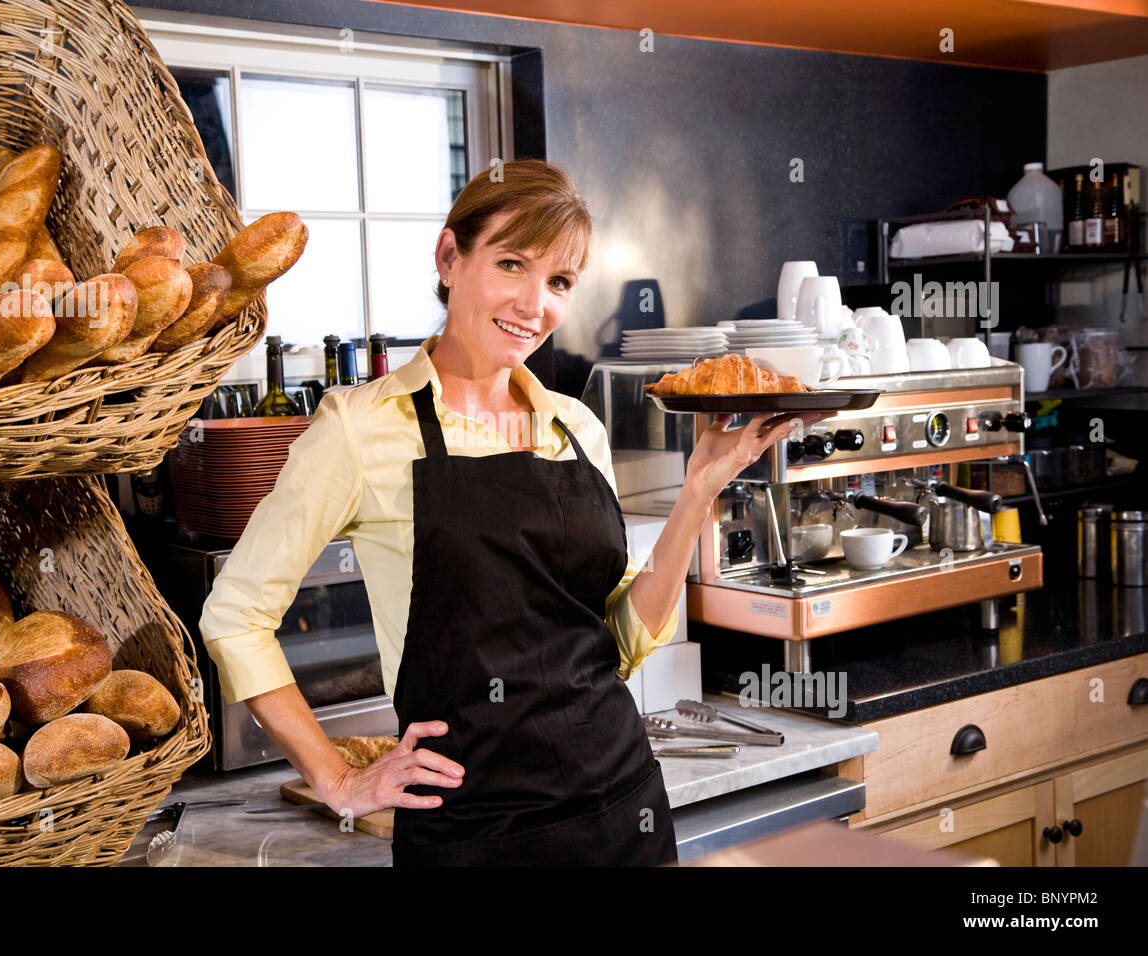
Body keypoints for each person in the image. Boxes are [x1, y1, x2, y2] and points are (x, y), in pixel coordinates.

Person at [199, 160, 829, 866]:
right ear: (448, 258)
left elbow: (616, 644)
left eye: (559, 282)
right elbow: (235, 615)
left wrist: (696, 495)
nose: (535, 304)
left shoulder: (575, 428)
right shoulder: (361, 427)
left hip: (623, 809)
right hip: (473, 833)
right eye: (511, 264)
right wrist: (336, 778)